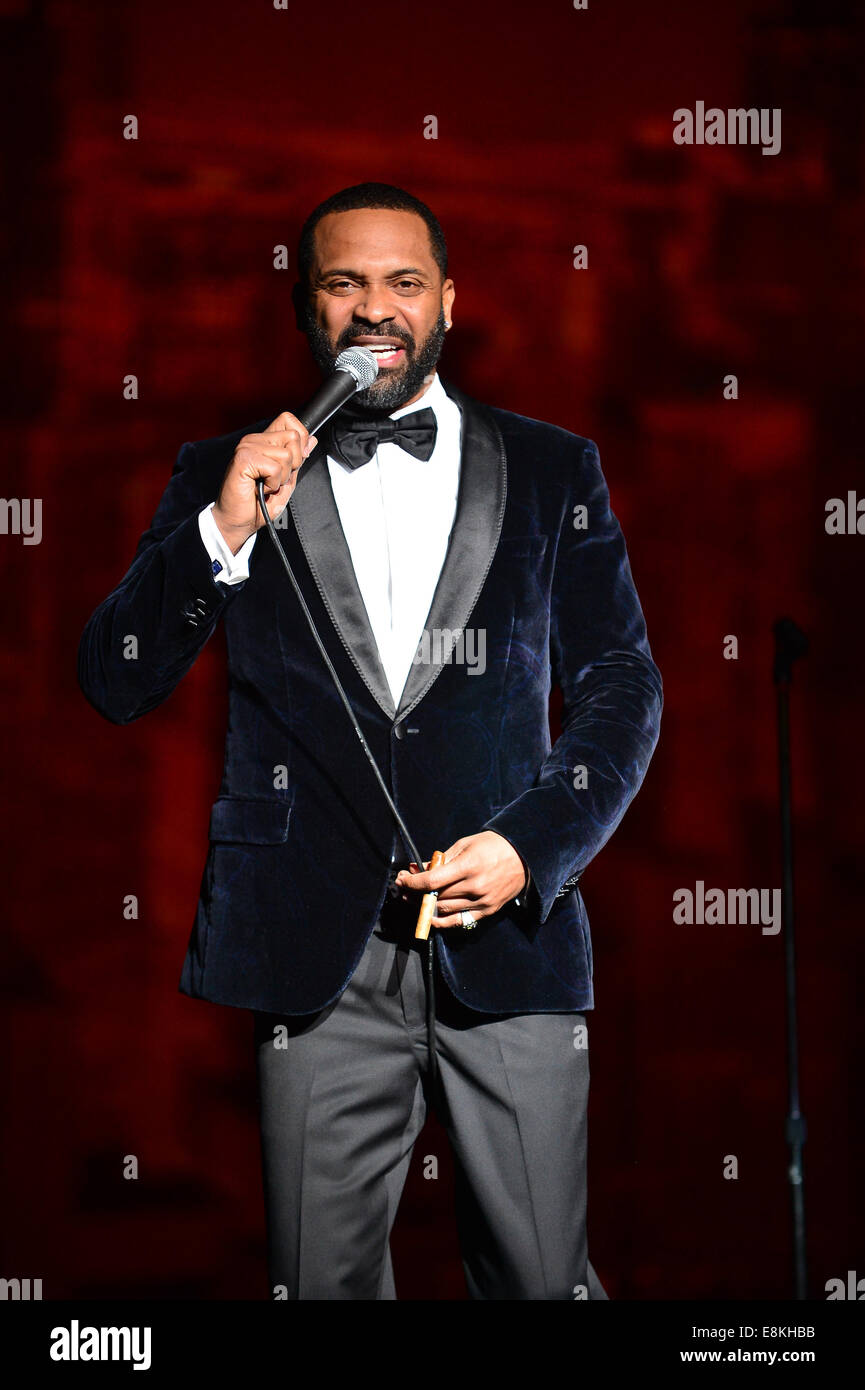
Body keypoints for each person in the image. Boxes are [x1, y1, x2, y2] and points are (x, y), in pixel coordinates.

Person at [78, 182, 663, 1301]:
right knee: (321, 1286)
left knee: (543, 1280)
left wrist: (533, 846)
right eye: (345, 283)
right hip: (312, 954)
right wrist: (221, 532)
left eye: (402, 282)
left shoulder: (553, 467)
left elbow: (622, 683)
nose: (375, 309)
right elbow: (114, 680)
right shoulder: (224, 470)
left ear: (449, 298)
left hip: (512, 935)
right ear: (308, 306)